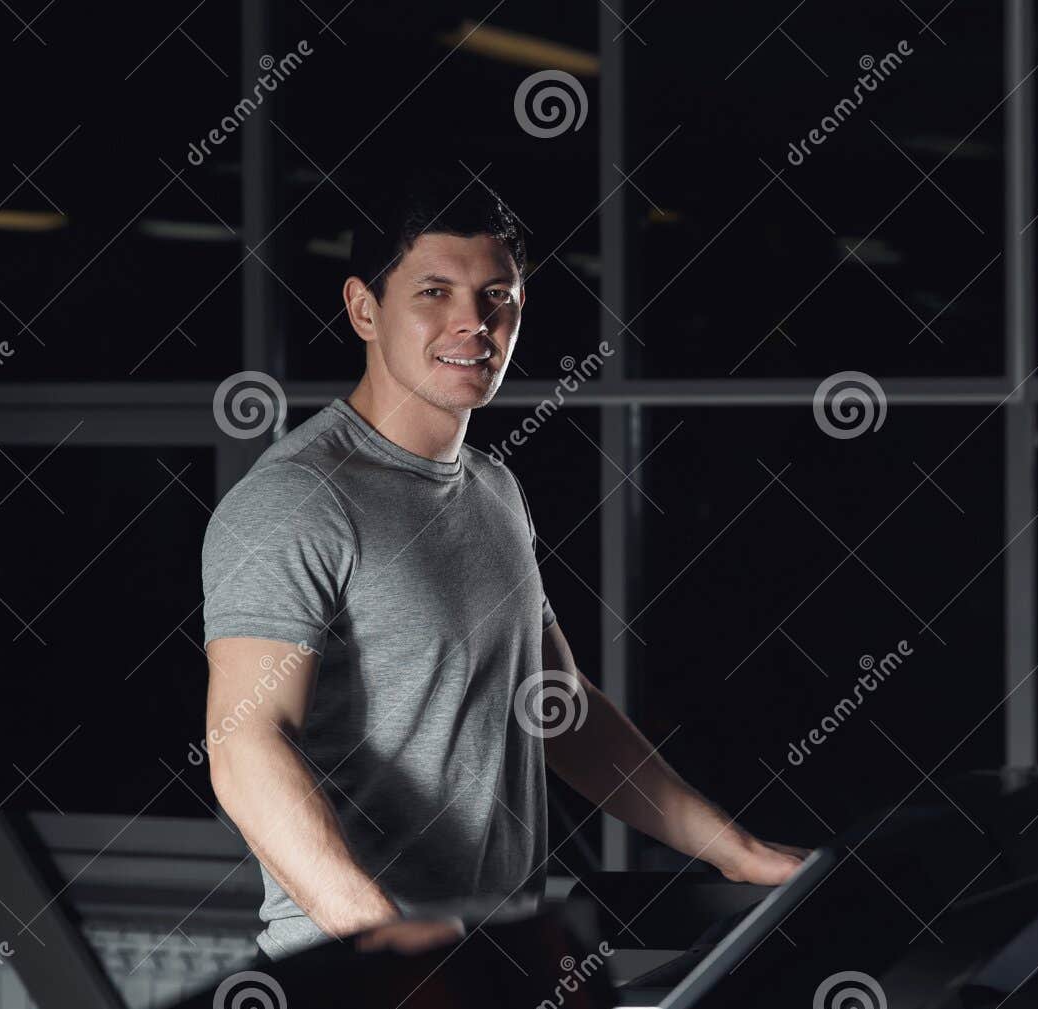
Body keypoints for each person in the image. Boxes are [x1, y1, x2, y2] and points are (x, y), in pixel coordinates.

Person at [200, 172, 806, 963]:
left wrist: (737, 851)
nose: (473, 322)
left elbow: (562, 710)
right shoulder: (299, 499)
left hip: (499, 964)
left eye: (499, 296)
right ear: (363, 308)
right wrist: (391, 943)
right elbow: (245, 746)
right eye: (435, 292)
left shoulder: (493, 487)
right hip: (360, 984)